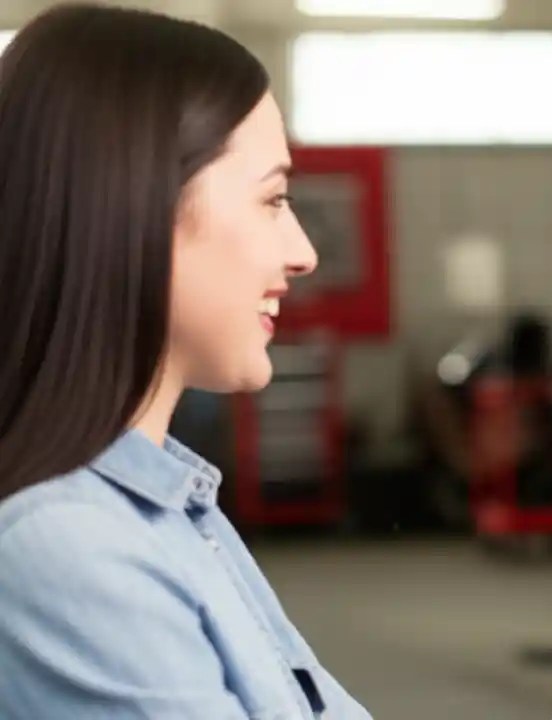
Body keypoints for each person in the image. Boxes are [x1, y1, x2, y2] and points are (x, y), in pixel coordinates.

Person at [0, 5, 371, 718]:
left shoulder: (168, 509)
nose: (303, 253)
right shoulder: (69, 550)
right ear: (136, 209)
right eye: (273, 199)